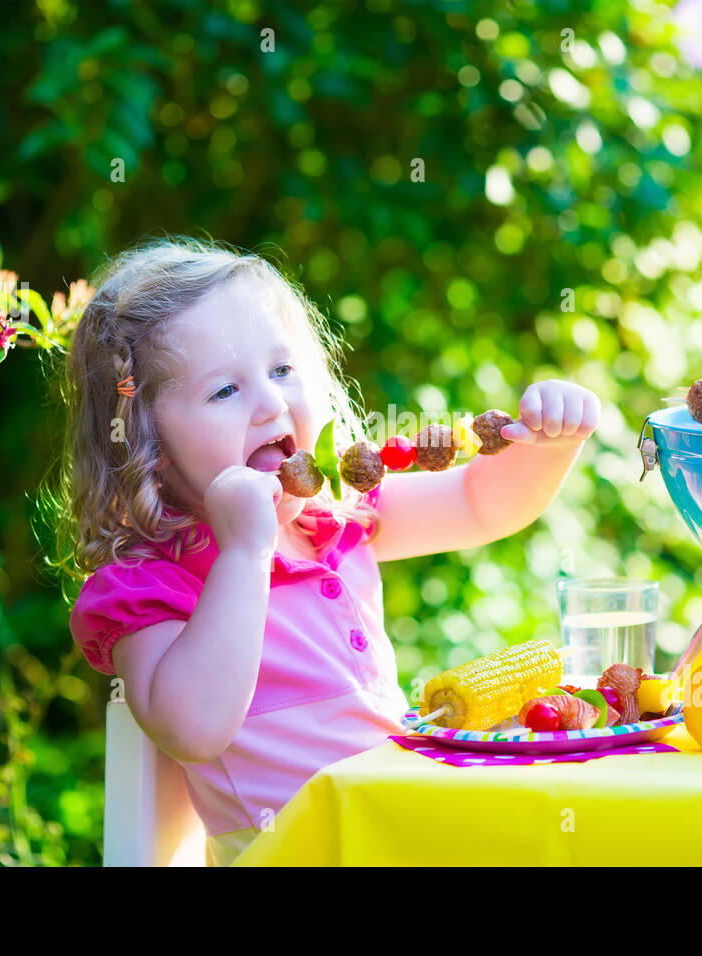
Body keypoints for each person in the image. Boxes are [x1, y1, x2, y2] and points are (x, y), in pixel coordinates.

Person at [57, 236, 599, 865]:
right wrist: (243, 555)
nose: (271, 403)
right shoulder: (151, 583)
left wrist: (552, 442)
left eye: (283, 370)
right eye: (224, 392)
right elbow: (194, 729)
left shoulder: (334, 518)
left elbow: (482, 504)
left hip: (403, 831)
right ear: (147, 445)